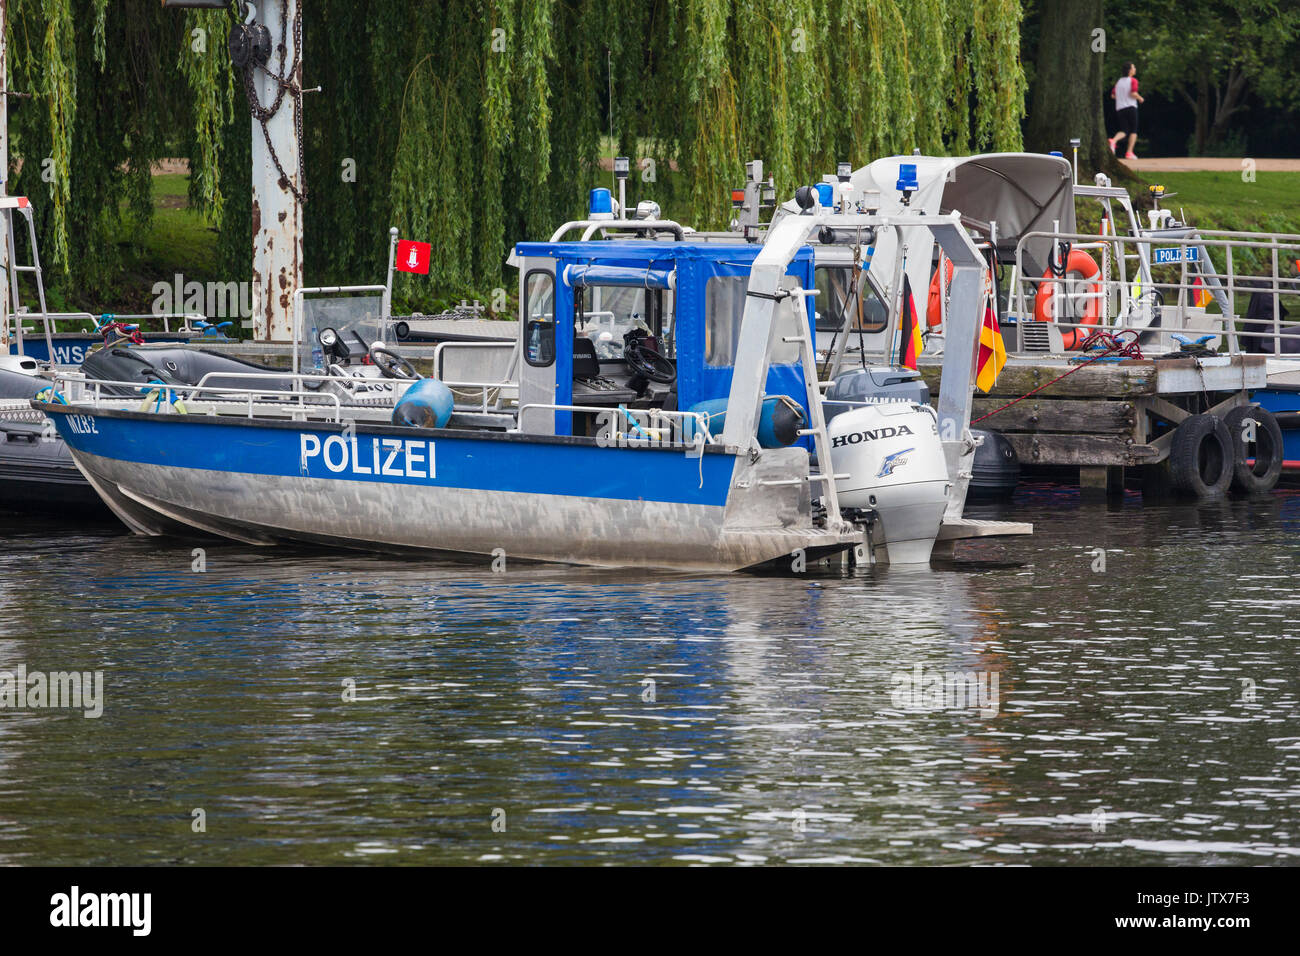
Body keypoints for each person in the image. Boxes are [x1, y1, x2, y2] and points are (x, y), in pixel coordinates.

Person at [1108, 62, 1144, 159]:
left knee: (1124, 130)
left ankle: (1113, 140)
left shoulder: (1119, 82)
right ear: (1129, 70)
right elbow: (1133, 93)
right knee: (1133, 130)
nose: (1135, 69)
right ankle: (1129, 152)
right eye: (1133, 67)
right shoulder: (1133, 80)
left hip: (1120, 108)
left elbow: (1113, 95)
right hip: (1131, 107)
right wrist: (1140, 98)